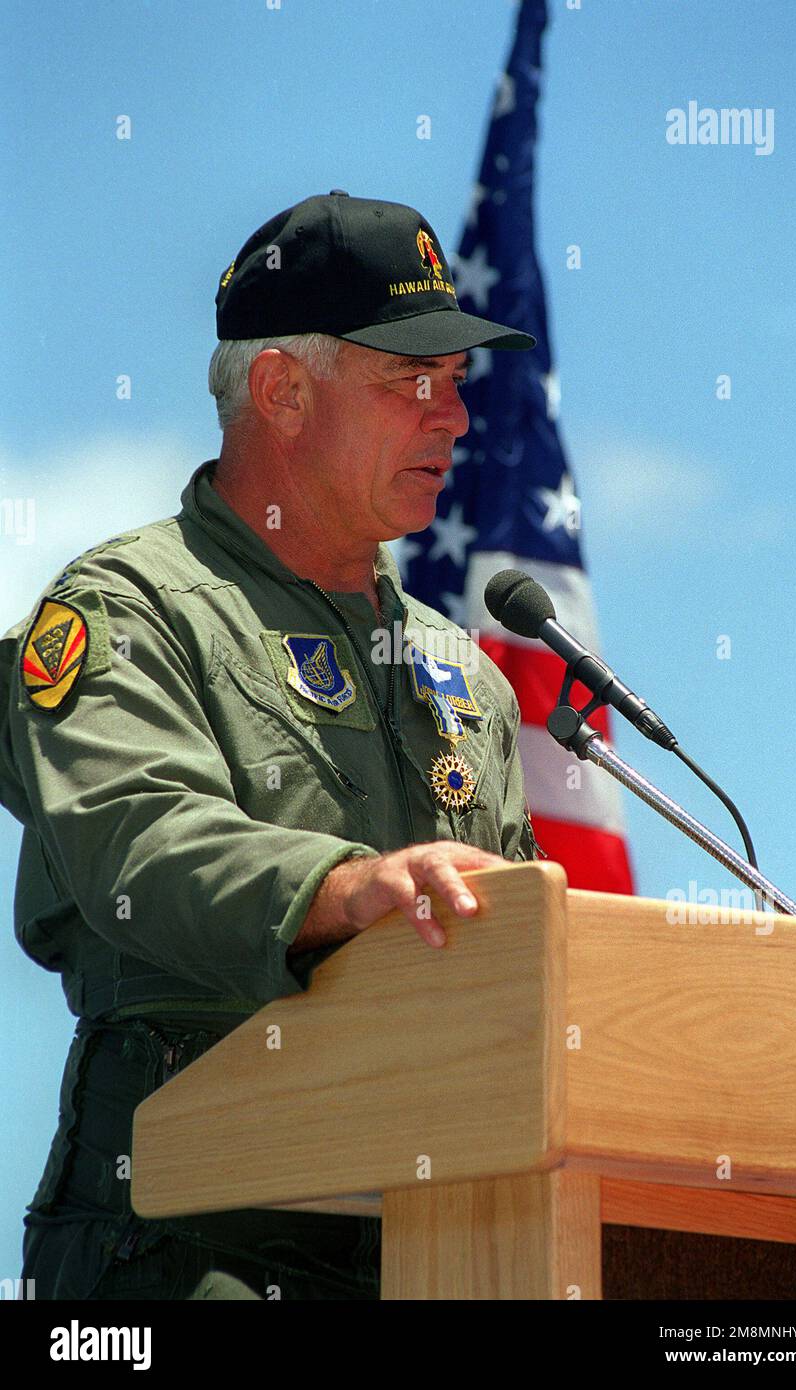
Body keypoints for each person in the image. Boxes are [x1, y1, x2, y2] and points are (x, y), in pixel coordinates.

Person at [0, 190, 541, 1300]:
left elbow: (527, 960)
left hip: (447, 1238)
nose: (453, 421)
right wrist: (346, 887)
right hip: (190, 1241)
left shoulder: (466, 674)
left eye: (457, 385)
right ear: (280, 390)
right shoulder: (129, 611)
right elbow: (137, 843)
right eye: (410, 382)